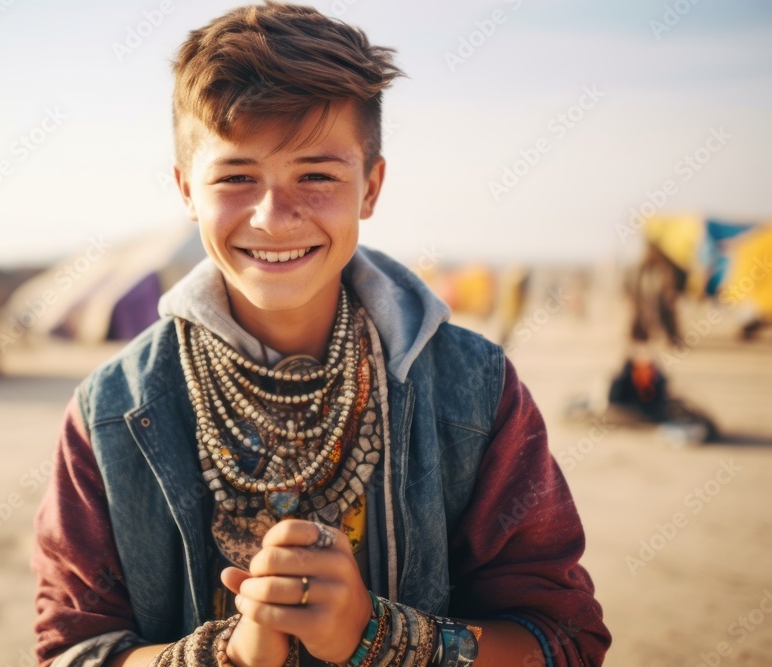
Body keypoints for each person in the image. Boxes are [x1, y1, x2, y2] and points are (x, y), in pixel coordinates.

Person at [31, 3, 611, 666]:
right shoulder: (112, 415)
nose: (275, 218)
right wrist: (232, 657)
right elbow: (74, 650)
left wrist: (384, 636)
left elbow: (566, 639)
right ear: (186, 189)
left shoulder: (474, 390)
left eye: (316, 175)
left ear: (371, 186)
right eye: (236, 177)